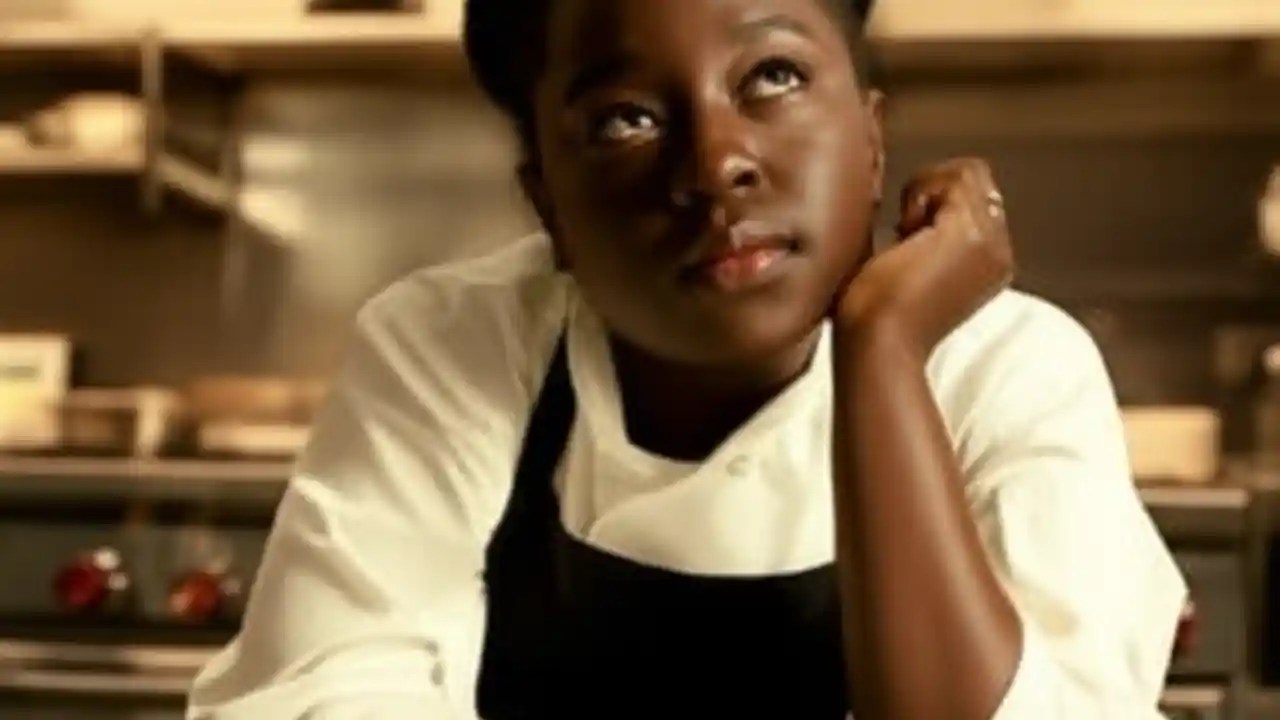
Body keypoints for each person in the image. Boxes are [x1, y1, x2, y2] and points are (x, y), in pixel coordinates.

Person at [187, 0, 1187, 717]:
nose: (716, 165)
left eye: (774, 77)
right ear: (548, 206)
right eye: (626, 118)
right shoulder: (454, 346)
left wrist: (880, 352)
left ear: (872, 142)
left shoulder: (1005, 370)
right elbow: (325, 690)